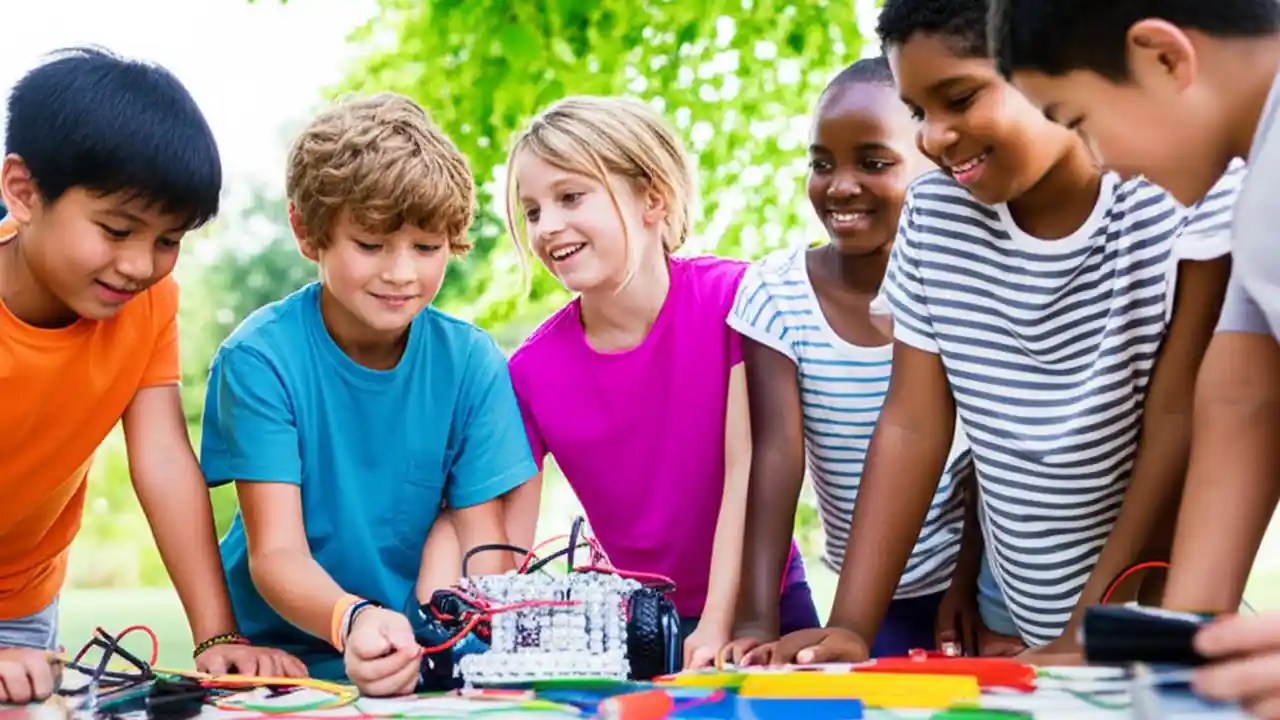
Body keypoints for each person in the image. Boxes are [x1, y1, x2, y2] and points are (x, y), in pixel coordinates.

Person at [756, 0, 1240, 666]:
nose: (933, 137)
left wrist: (1091, 628)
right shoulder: (934, 216)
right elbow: (912, 426)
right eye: (919, 112)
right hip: (1013, 610)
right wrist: (850, 626)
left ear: (1046, 70)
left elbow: (1179, 421)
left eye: (959, 97)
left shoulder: (1171, 191)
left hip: (1151, 609)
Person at [987, 0, 1280, 713]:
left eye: (1078, 119)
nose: (1097, 159)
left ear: (1163, 57)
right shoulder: (1255, 190)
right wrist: (1185, 662)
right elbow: (1242, 395)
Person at [199, 93, 538, 695]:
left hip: (419, 655)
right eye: (371, 245)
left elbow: (482, 544)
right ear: (308, 232)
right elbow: (275, 553)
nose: (402, 273)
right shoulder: (261, 359)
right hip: (285, 660)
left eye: (426, 248)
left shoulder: (470, 363)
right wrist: (353, 620)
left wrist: (469, 642)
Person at [0, 47, 305, 704]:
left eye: (168, 240)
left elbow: (164, 459)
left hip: (19, 597)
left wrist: (218, 636)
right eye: (116, 229)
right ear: (23, 193)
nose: (140, 265)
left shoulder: (145, 305)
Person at [720, 56, 1021, 662]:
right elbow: (778, 458)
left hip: (978, 588)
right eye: (821, 164)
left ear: (933, 168)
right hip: (871, 595)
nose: (841, 185)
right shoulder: (776, 293)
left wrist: (965, 582)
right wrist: (755, 619)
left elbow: (987, 458)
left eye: (874, 163)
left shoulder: (965, 280)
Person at [505, 95, 821, 670]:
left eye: (571, 196)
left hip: (766, 608)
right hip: (642, 630)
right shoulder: (530, 371)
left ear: (653, 198)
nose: (548, 226)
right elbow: (508, 539)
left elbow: (747, 472)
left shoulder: (737, 300)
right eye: (531, 210)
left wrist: (721, 625)